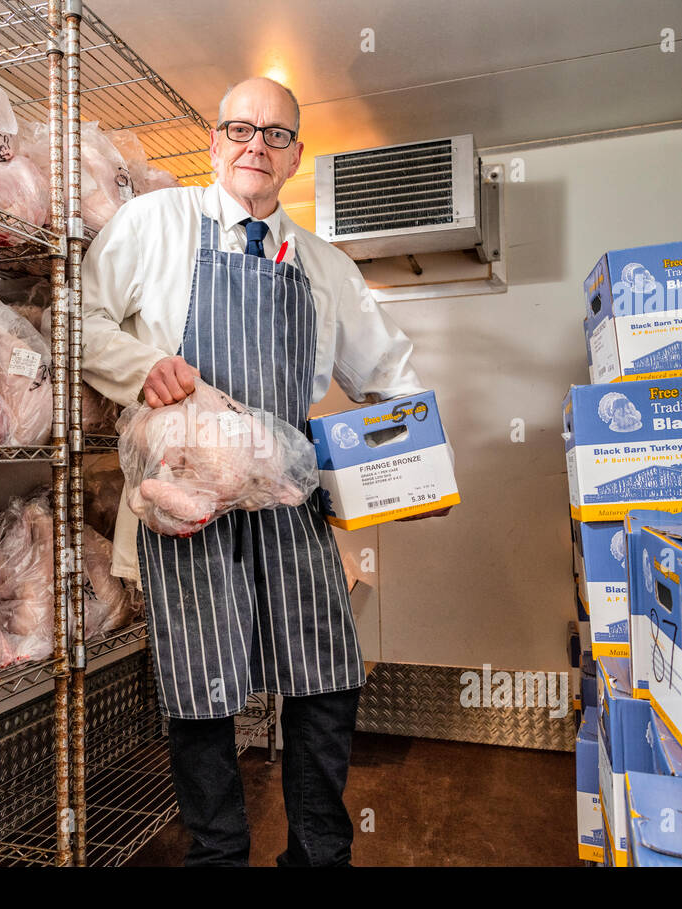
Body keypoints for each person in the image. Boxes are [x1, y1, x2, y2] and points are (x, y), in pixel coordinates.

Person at [81, 76, 438, 867]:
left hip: (287, 499)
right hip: (184, 501)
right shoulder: (155, 224)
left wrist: (419, 468)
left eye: (276, 134)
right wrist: (142, 366)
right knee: (200, 689)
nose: (256, 144)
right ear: (214, 144)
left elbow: (390, 377)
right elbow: (84, 319)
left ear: (295, 156)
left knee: (326, 675)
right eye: (241, 129)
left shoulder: (323, 264)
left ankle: (318, 853)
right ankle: (219, 854)